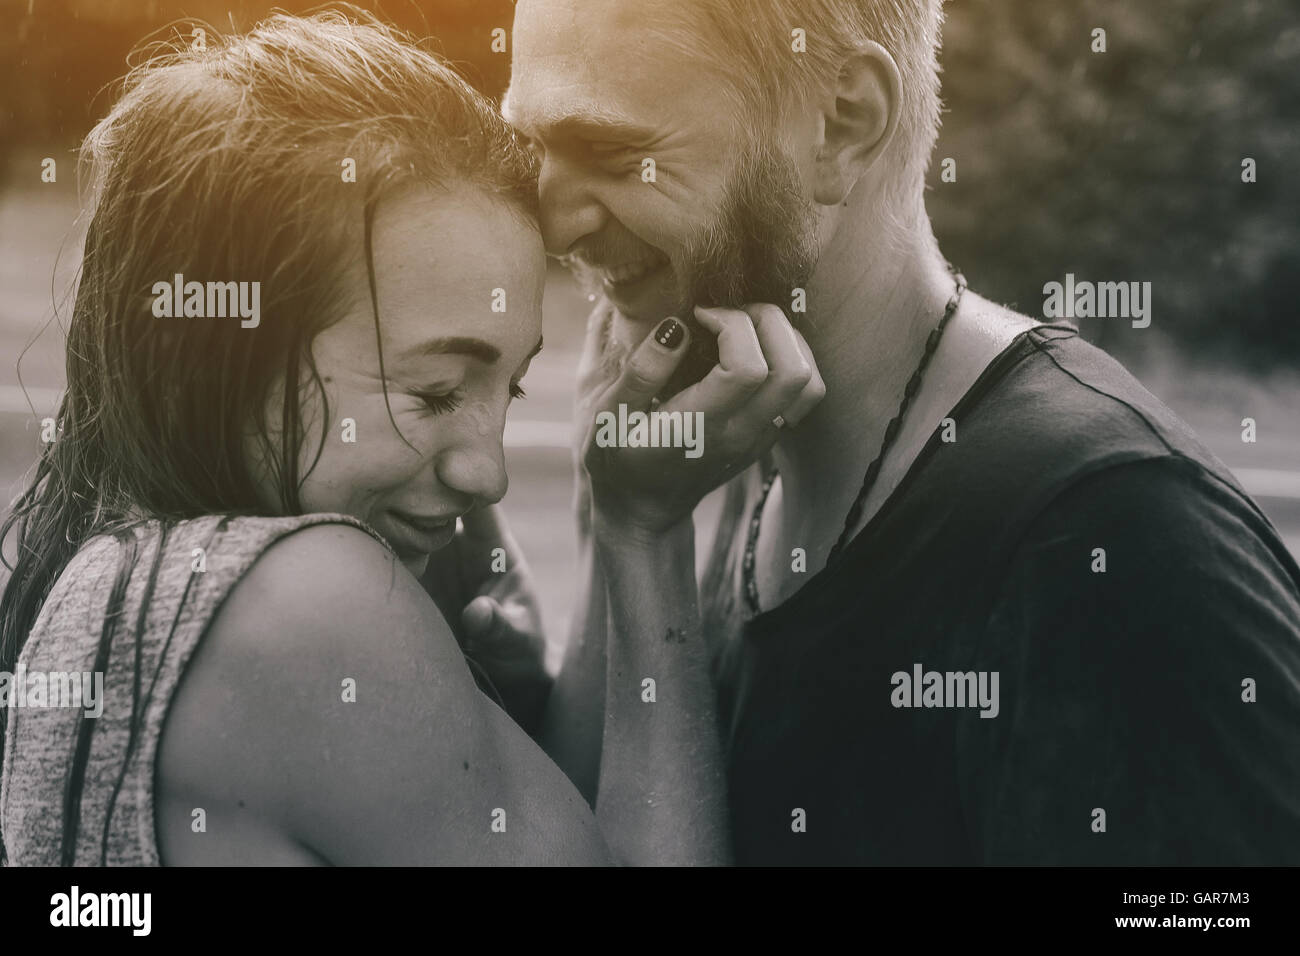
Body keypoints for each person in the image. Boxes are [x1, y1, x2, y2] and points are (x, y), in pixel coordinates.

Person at [0, 12, 817, 866]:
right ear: (208, 356)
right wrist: (644, 538)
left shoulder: (108, 584)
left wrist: (590, 530)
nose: (488, 473)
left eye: (513, 387)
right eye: (433, 392)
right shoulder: (307, 605)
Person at [503, 0, 1300, 863]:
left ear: (842, 127)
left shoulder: (1113, 539)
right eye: (533, 149)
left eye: (615, 155)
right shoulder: (745, 438)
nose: (551, 222)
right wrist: (613, 523)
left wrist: (639, 532)